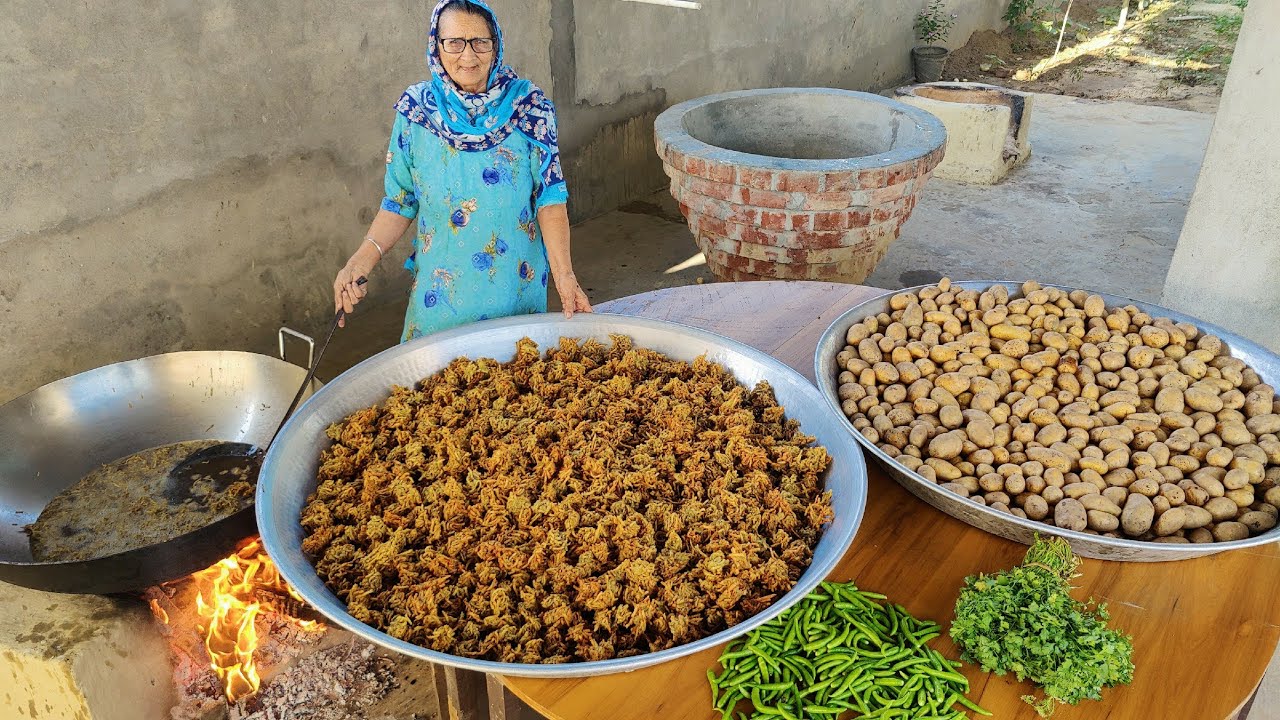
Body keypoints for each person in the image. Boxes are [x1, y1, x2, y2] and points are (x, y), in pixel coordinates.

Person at [333, 0, 592, 339]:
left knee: (514, 378)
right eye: (454, 42)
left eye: (480, 42)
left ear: (495, 44)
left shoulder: (530, 108)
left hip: (514, 287)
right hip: (441, 295)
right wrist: (361, 261)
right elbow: (400, 200)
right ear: (436, 46)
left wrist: (565, 276)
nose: (468, 57)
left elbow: (550, 197)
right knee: (435, 384)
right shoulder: (416, 113)